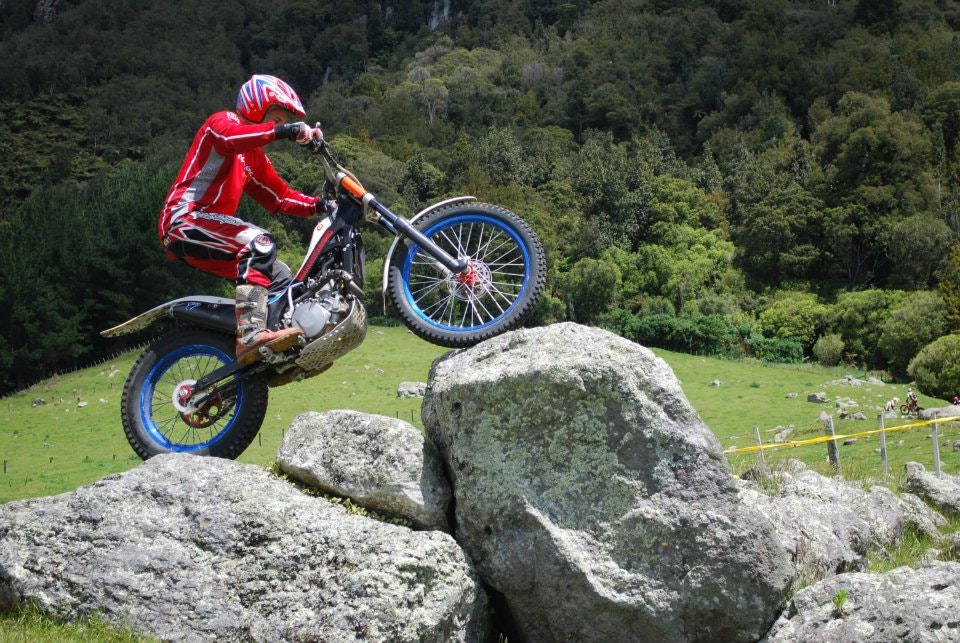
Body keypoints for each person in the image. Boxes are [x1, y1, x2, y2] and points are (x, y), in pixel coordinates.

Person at [158, 74, 328, 364]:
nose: (278, 124)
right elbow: (229, 139)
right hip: (184, 219)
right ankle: (250, 334)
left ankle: (270, 354)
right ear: (256, 104)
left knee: (280, 276)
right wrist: (285, 131)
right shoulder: (222, 124)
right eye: (276, 117)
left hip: (210, 231)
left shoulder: (252, 157)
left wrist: (323, 204)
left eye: (281, 120)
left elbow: (280, 198)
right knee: (259, 242)